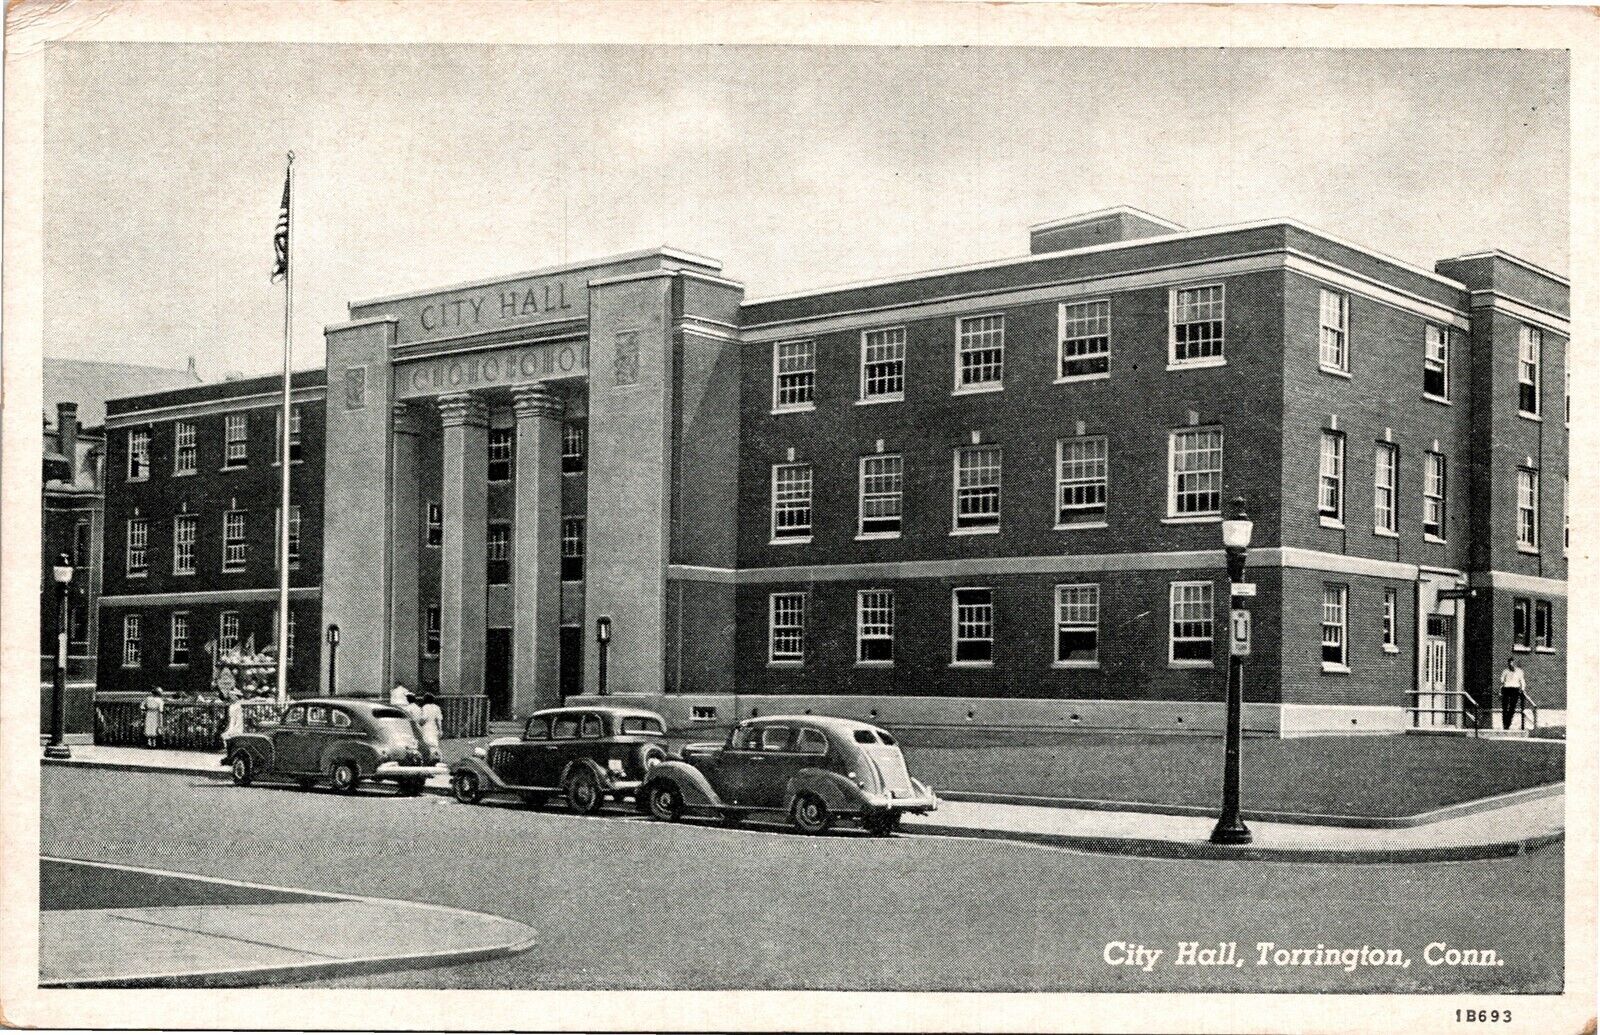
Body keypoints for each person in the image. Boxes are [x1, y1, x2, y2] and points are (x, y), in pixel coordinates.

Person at [1500, 657, 1527, 730]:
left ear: (1515, 664)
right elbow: (1502, 681)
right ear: (1508, 664)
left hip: (1515, 689)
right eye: (1510, 664)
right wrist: (1502, 687)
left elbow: (1522, 681)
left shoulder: (1519, 672)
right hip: (1507, 689)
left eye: (1512, 663)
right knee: (1505, 707)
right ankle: (1505, 723)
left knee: (1512, 707)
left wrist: (1522, 689)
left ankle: (1508, 723)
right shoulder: (1505, 671)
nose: (1511, 665)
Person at [418, 693, 444, 760]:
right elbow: (439, 720)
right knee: (434, 743)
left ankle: (428, 758)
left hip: (427, 727)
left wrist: (419, 723)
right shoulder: (437, 707)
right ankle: (437, 758)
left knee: (427, 743)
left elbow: (424, 718)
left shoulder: (425, 707)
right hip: (434, 727)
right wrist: (440, 730)